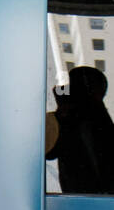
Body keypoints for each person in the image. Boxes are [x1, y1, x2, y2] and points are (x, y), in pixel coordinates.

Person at [47, 65, 114, 194]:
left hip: (86, 201)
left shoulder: (72, 118)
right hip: (95, 200)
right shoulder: (99, 119)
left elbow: (46, 148)